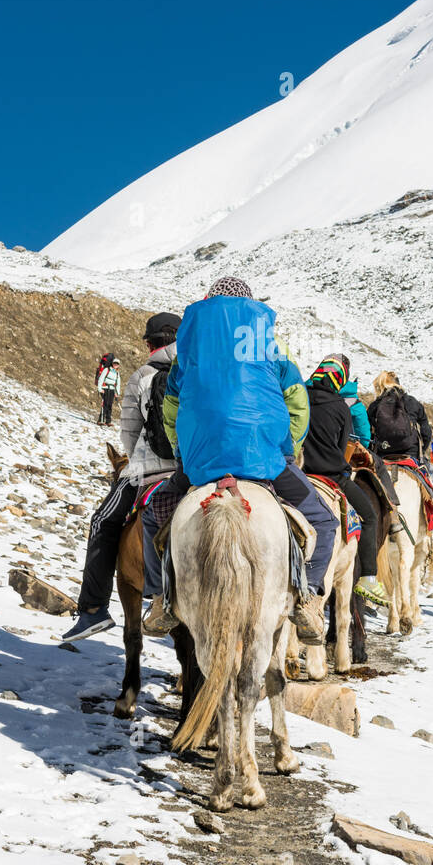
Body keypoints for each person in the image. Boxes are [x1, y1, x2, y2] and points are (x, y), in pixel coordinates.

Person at [142, 276, 338, 644]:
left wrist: (184, 452)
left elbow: (171, 407)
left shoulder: (190, 345)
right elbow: (297, 400)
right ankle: (308, 600)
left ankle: (159, 600)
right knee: (324, 520)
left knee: (154, 515)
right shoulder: (269, 342)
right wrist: (286, 448)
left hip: (202, 463)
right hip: (262, 459)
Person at [63, 314, 181, 643]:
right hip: (195, 472)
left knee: (102, 521)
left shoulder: (142, 376)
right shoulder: (198, 373)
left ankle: (93, 610)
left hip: (149, 471)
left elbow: (129, 436)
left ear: (150, 343)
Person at [301, 357, 390, 607]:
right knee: (370, 516)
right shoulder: (341, 407)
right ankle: (368, 578)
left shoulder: (299, 396)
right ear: (340, 379)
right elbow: (342, 450)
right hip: (332, 476)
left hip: (296, 472)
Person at [368, 370, 433, 534]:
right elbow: (426, 433)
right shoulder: (412, 403)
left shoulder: (374, 407)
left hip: (383, 458)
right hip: (410, 457)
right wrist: (419, 452)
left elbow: (369, 436)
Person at [97, 357, 121, 426]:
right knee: (105, 404)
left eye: (117, 364)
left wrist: (117, 393)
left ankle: (108, 421)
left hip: (112, 390)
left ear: (118, 365)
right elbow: (101, 379)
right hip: (105, 388)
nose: (116, 365)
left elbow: (118, 383)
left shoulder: (117, 373)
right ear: (112, 363)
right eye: (115, 363)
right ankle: (101, 420)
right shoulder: (107, 370)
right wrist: (100, 389)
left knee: (110, 405)